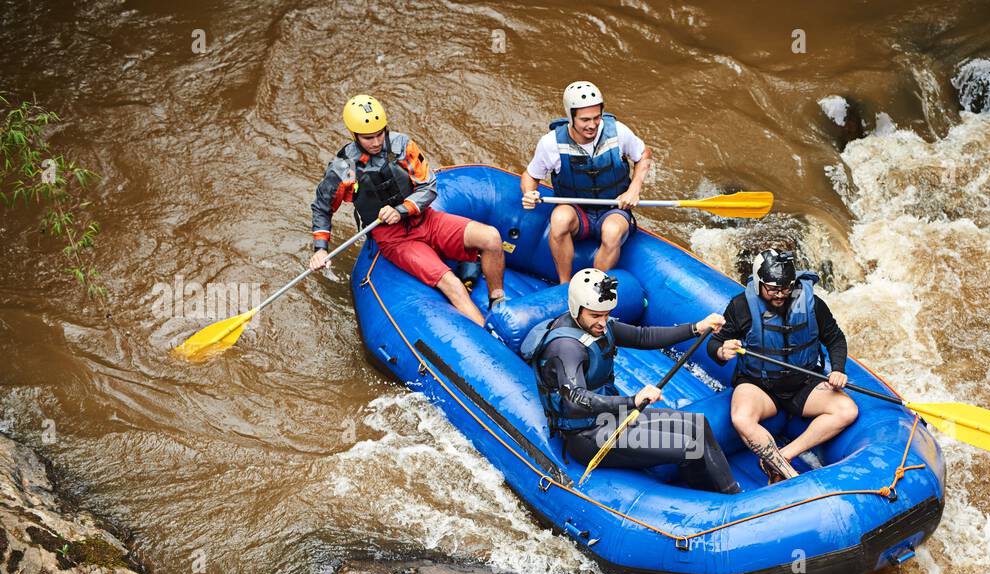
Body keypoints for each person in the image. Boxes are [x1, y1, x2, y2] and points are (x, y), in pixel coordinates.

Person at [522, 268, 739, 494]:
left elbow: (643, 337)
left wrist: (696, 328)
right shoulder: (566, 347)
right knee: (689, 447)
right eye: (595, 316)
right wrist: (632, 401)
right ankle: (713, 503)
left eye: (606, 314)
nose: (603, 323)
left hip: (611, 418)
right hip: (587, 436)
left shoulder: (598, 325)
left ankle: (732, 495)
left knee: (698, 425)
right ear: (576, 309)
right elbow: (575, 401)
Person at [309, 94, 506, 326]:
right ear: (354, 136)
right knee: (451, 283)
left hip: (425, 219)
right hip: (394, 238)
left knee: (491, 237)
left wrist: (402, 209)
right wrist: (321, 249)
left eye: (380, 134)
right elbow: (322, 207)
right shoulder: (345, 167)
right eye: (368, 137)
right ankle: (488, 336)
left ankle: (497, 301)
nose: (376, 142)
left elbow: (429, 186)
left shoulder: (402, 146)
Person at [710, 249, 857, 483]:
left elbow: (835, 338)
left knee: (847, 410)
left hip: (804, 385)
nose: (780, 294)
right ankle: (786, 474)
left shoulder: (812, 304)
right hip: (759, 386)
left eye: (786, 288)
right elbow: (715, 343)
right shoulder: (741, 307)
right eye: (773, 289)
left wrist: (838, 368)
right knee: (741, 418)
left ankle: (782, 456)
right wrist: (721, 350)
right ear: (759, 283)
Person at [520, 81, 652, 283]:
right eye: (585, 120)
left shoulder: (618, 132)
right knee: (559, 219)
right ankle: (565, 285)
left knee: (612, 231)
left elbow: (644, 154)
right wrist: (530, 192)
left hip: (612, 207)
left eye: (597, 117)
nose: (592, 125)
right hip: (576, 209)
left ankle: (594, 286)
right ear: (570, 117)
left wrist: (634, 189)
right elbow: (530, 175)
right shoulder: (551, 143)